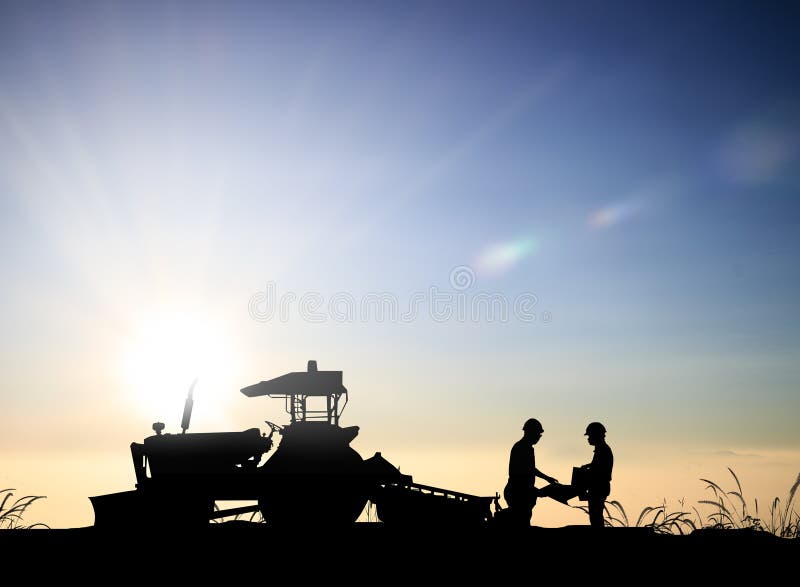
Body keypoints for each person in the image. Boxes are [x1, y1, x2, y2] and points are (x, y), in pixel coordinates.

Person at [504, 418, 559, 527]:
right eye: (538, 434)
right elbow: (525, 471)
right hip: (518, 492)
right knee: (521, 521)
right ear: (531, 432)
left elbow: (530, 468)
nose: (539, 437)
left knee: (523, 519)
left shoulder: (525, 447)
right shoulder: (522, 447)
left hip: (521, 491)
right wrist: (539, 487)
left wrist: (546, 479)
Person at [580, 421, 613, 528]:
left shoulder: (603, 450)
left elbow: (599, 471)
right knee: (595, 516)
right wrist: (588, 466)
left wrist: (585, 474)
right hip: (599, 487)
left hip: (599, 487)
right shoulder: (602, 449)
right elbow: (597, 466)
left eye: (590, 435)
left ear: (596, 435)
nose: (588, 438)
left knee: (595, 517)